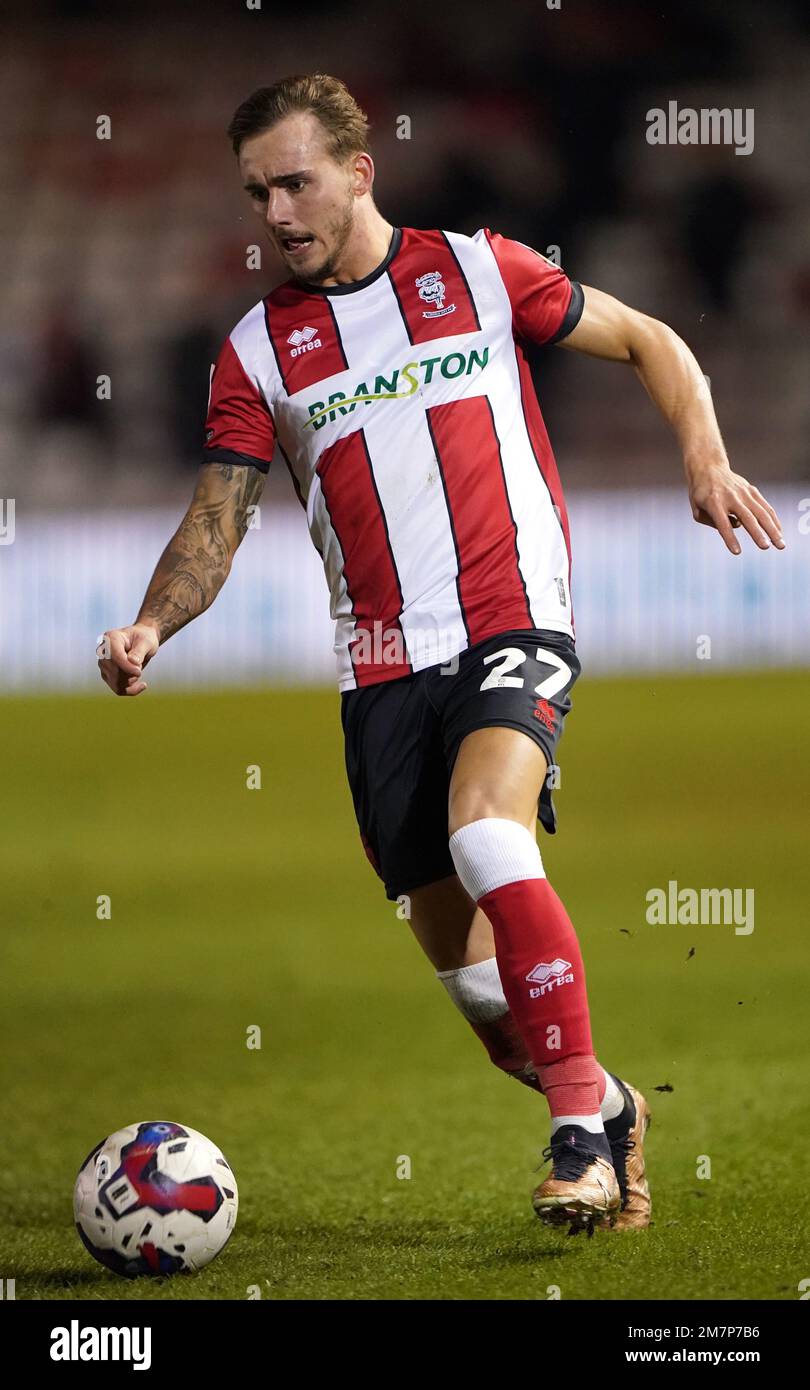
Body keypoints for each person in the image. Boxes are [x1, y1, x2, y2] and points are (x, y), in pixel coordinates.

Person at [98, 74, 784, 1235]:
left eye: (296, 181)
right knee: (479, 989)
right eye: (257, 190)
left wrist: (704, 457)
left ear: (361, 171)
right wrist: (154, 622)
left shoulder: (476, 270)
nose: (275, 211)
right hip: (380, 676)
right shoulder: (258, 350)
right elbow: (218, 518)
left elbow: (654, 339)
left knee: (485, 831)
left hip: (514, 622)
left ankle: (575, 1134)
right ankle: (607, 1100)